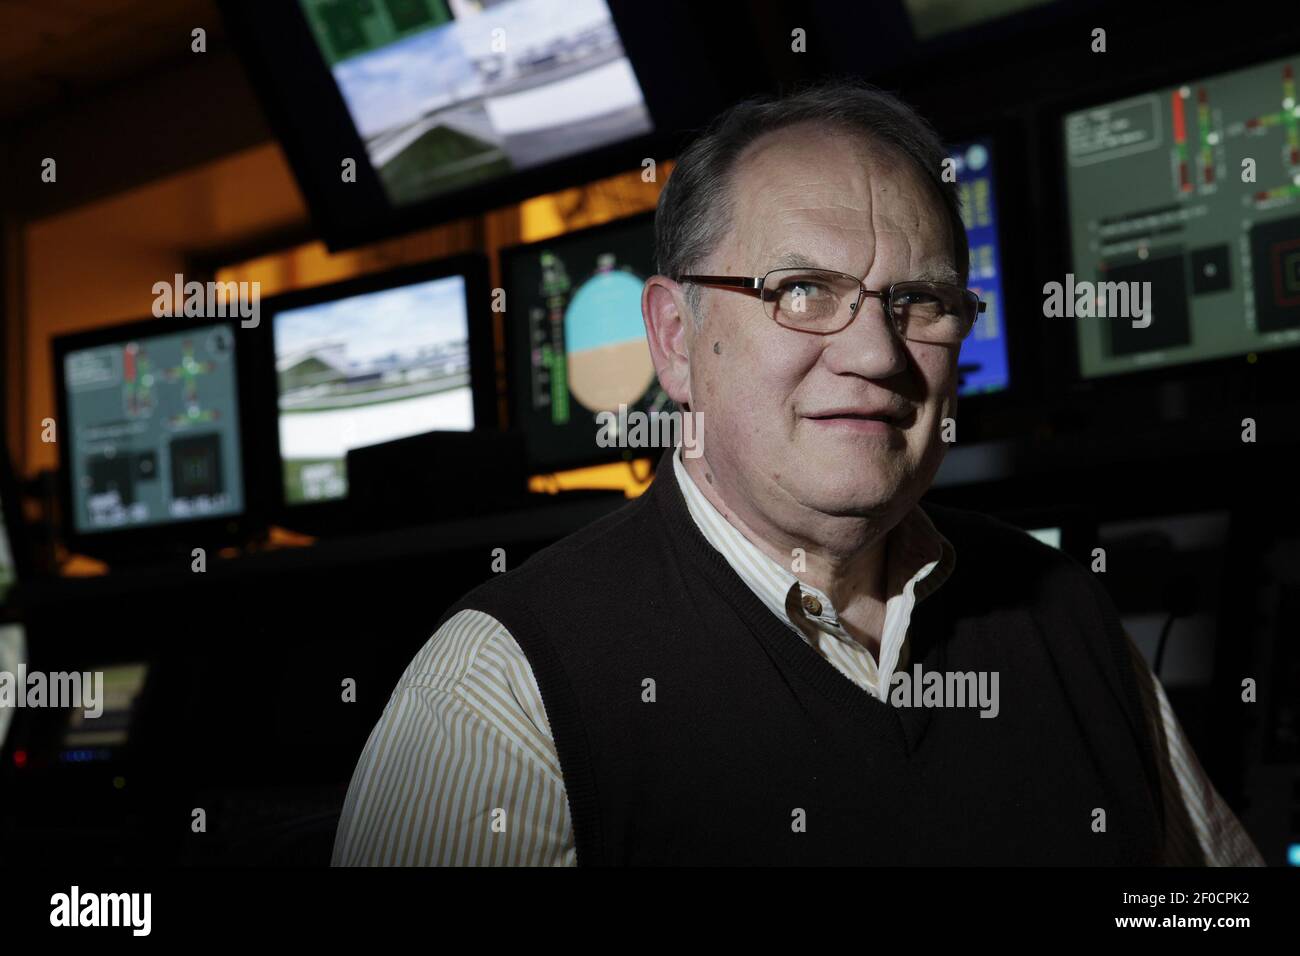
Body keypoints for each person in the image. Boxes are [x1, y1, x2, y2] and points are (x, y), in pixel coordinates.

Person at [332, 78, 1263, 866]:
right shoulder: (499, 691)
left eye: (918, 300)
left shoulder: (1068, 611)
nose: (875, 353)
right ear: (675, 340)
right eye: (802, 291)